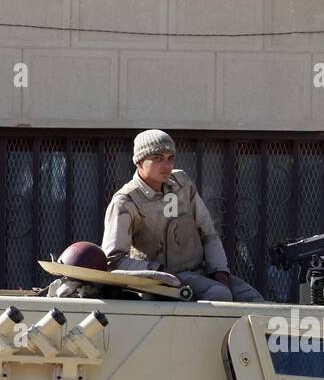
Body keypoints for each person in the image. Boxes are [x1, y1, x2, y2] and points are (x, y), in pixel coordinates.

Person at [102, 129, 264, 303]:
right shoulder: (126, 201)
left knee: (254, 301)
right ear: (139, 162)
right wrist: (158, 271)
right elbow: (113, 261)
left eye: (170, 158)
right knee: (219, 295)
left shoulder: (182, 183)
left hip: (201, 270)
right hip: (165, 282)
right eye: (157, 158)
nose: (167, 166)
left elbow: (208, 232)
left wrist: (220, 271)